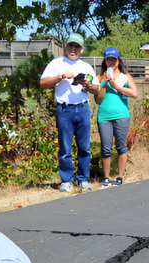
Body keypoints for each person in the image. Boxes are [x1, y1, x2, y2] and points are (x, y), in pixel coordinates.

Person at [39, 34, 100, 192]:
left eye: (77, 47)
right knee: (65, 147)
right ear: (66, 47)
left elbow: (97, 89)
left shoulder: (86, 66)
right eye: (71, 46)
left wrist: (88, 85)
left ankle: (83, 179)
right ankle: (66, 180)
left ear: (82, 49)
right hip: (64, 109)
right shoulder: (56, 63)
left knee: (84, 147)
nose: (73, 49)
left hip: (82, 108)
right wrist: (60, 77)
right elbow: (42, 83)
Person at [95, 46, 138, 188]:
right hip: (104, 117)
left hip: (121, 116)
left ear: (118, 61)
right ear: (105, 61)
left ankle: (119, 176)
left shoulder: (125, 77)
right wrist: (106, 82)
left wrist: (116, 85)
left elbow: (134, 93)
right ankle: (106, 177)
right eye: (108, 60)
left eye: (114, 59)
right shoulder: (100, 78)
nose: (111, 62)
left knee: (121, 146)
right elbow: (97, 98)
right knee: (106, 147)